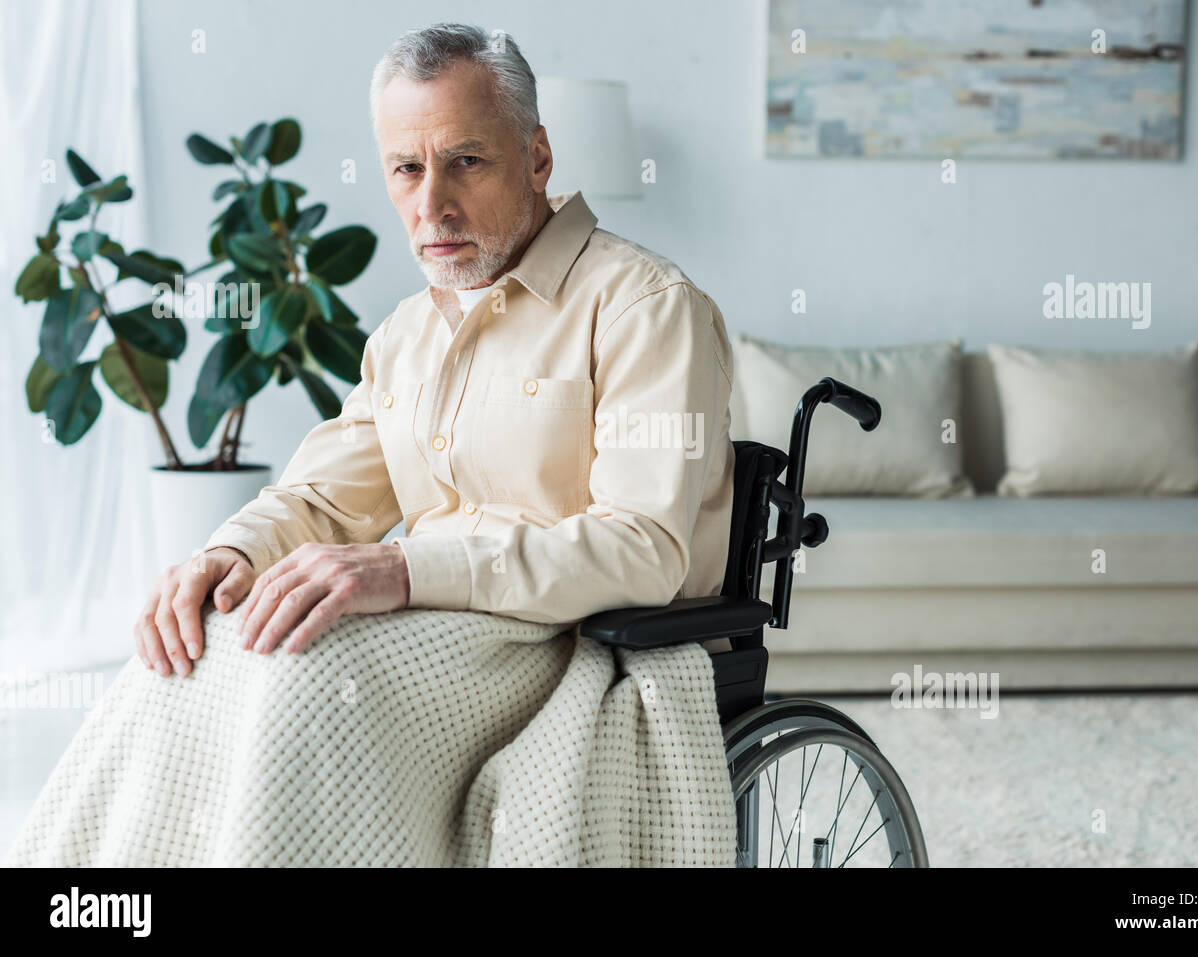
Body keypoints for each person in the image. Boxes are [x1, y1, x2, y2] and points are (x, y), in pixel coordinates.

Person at [7, 22, 738, 867]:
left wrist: (402, 569)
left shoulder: (646, 305)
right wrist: (225, 552)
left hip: (574, 639)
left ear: (537, 157)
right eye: (406, 168)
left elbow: (644, 548)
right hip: (441, 631)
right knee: (187, 652)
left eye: (466, 161)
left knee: (302, 678)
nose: (432, 206)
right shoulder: (405, 335)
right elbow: (323, 499)